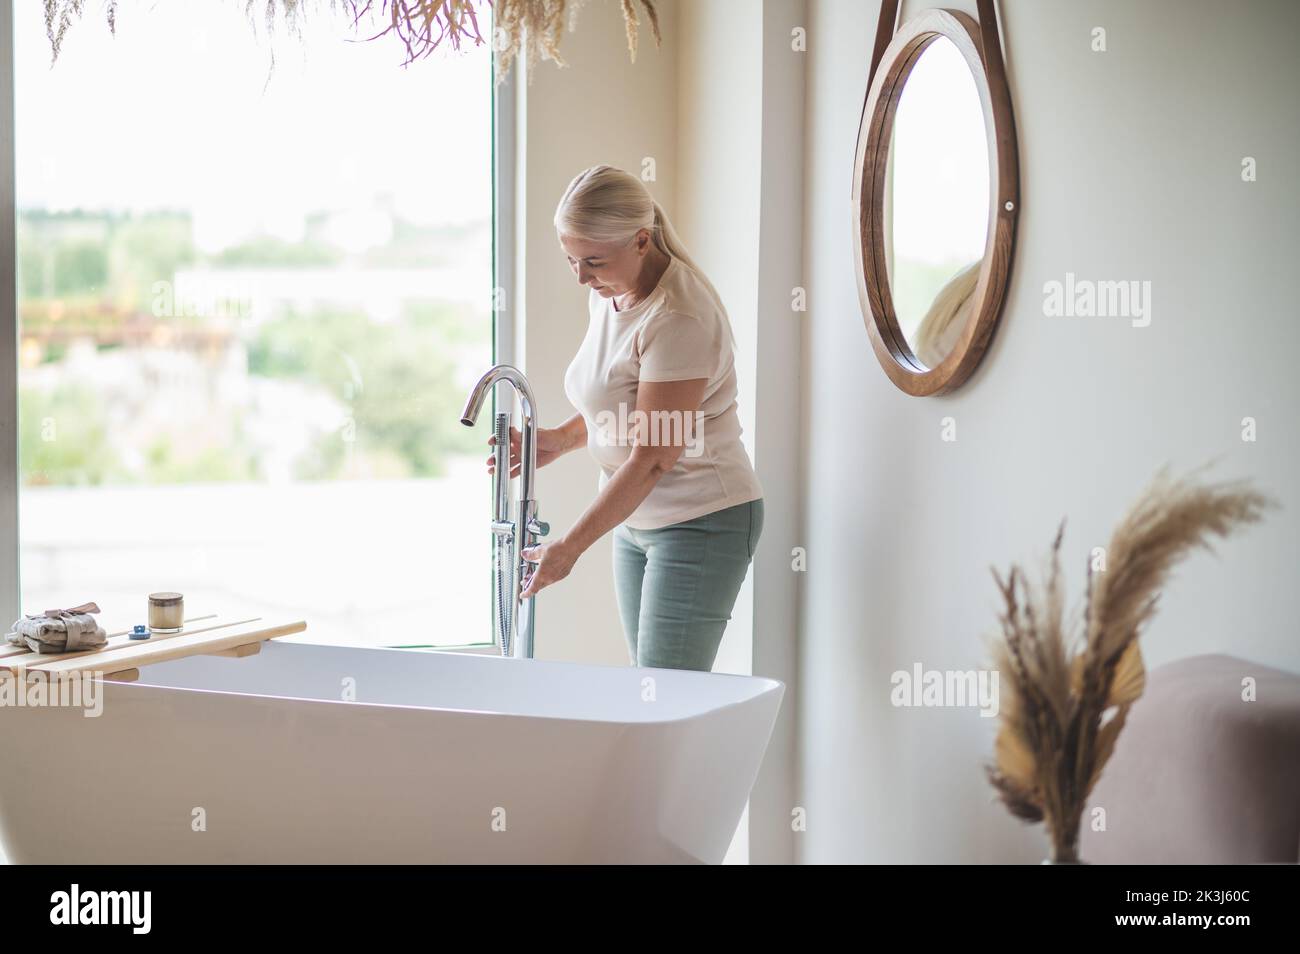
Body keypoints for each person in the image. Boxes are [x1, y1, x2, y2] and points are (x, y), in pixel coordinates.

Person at [487, 164, 764, 672]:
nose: (581, 277)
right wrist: (556, 441)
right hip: (637, 521)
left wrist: (568, 548)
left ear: (641, 241)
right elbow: (619, 403)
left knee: (665, 696)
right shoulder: (614, 292)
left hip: (698, 520)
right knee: (648, 690)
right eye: (572, 259)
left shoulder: (678, 318)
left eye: (592, 261)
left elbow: (655, 457)